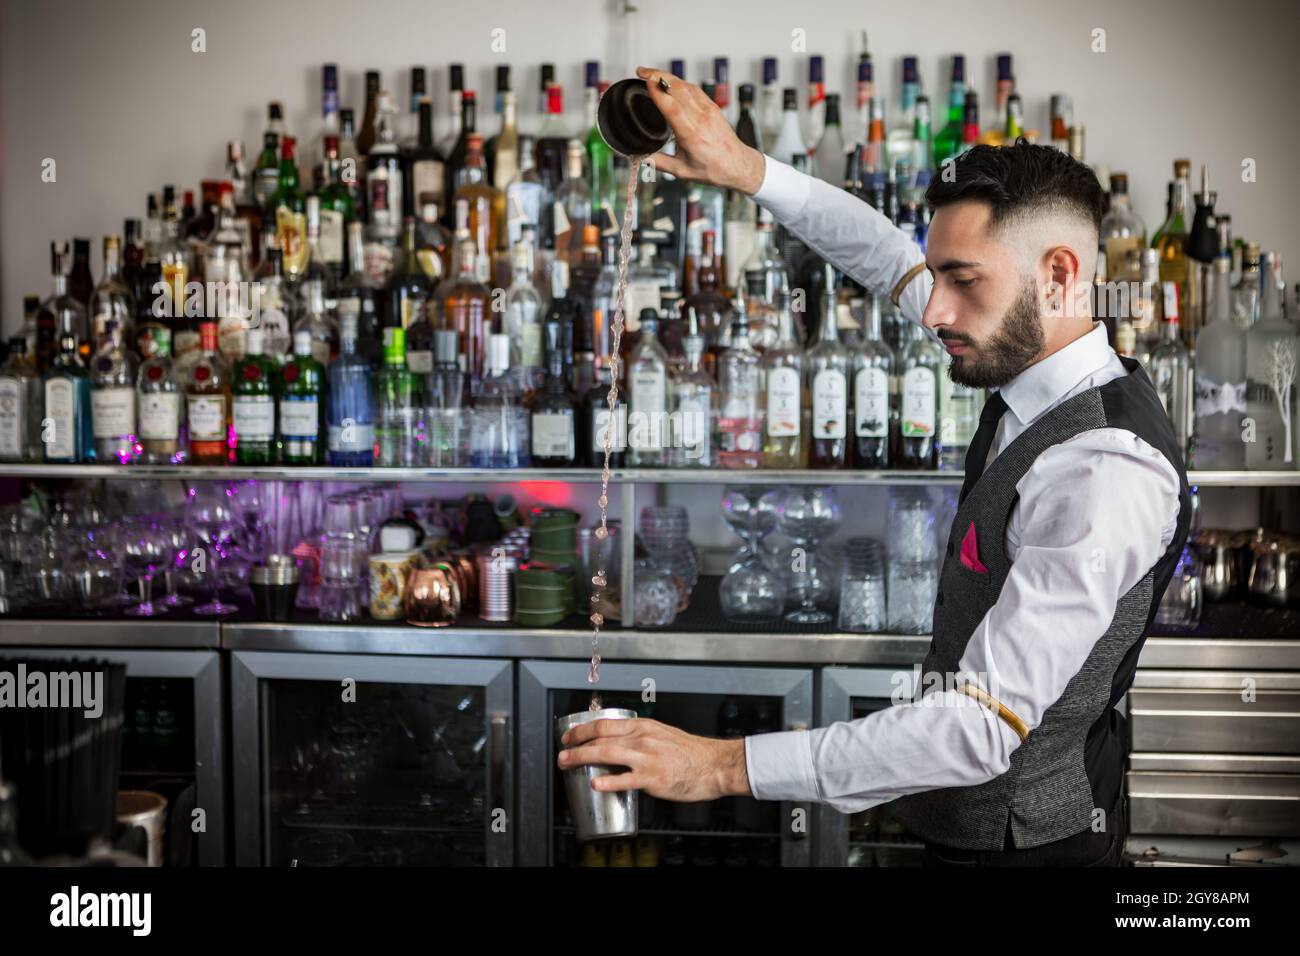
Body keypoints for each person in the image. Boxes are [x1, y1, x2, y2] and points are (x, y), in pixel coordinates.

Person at [557, 66, 1191, 866]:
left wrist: (721, 765)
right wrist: (744, 167)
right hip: (965, 825)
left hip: (1033, 845)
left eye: (961, 281)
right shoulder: (1024, 346)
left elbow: (980, 725)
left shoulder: (1105, 470)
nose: (931, 310)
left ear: (1058, 275)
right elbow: (884, 252)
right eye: (940, 276)